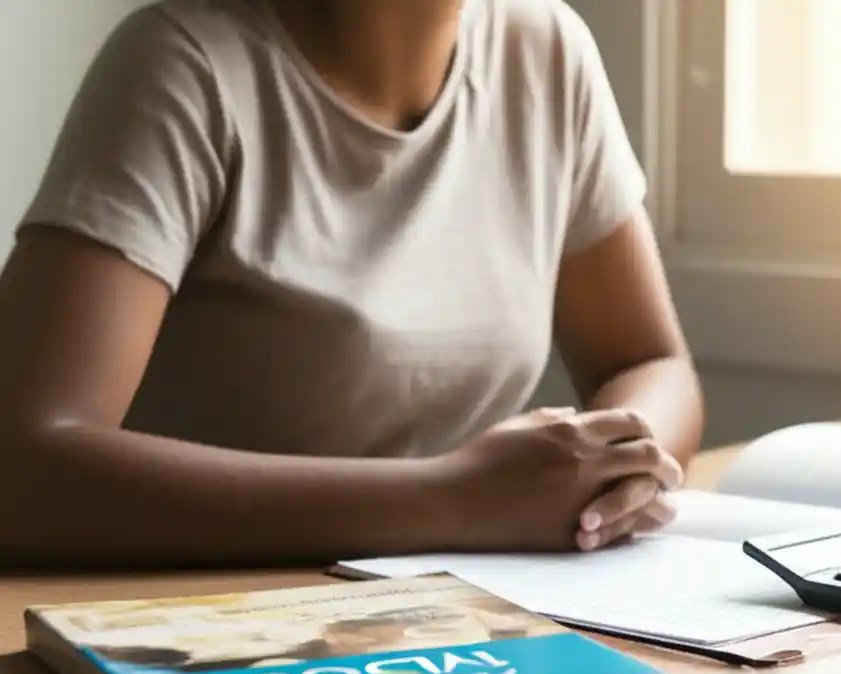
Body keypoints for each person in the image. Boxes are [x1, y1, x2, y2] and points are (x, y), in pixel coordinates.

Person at [0, 0, 703, 567]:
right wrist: (454, 500)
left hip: (456, 608)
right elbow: (22, 467)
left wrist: (612, 477)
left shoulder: (547, 48)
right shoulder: (185, 65)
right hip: (205, 621)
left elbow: (648, 363)